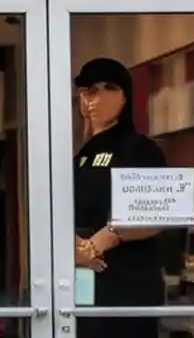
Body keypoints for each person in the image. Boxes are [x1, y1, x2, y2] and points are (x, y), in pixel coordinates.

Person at [72, 57, 167, 338]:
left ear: (124, 96)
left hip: (129, 288)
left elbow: (158, 212)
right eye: (88, 91)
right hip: (86, 288)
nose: (94, 99)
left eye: (106, 89)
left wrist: (103, 240)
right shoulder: (80, 155)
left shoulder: (141, 150)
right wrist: (73, 247)